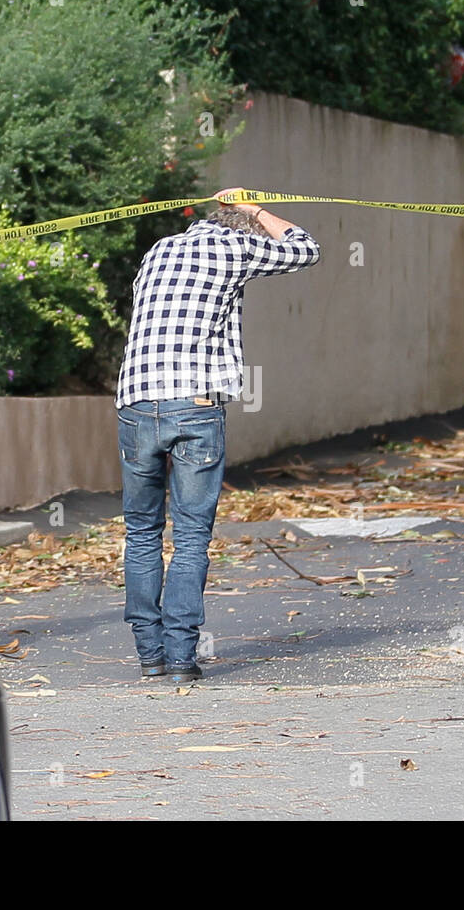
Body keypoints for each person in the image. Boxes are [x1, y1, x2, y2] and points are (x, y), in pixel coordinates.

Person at [115, 187, 322, 683]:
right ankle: (182, 659)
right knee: (190, 538)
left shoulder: (158, 249)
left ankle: (149, 656)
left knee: (141, 532)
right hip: (195, 404)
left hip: (136, 403)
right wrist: (255, 209)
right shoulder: (236, 246)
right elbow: (306, 247)